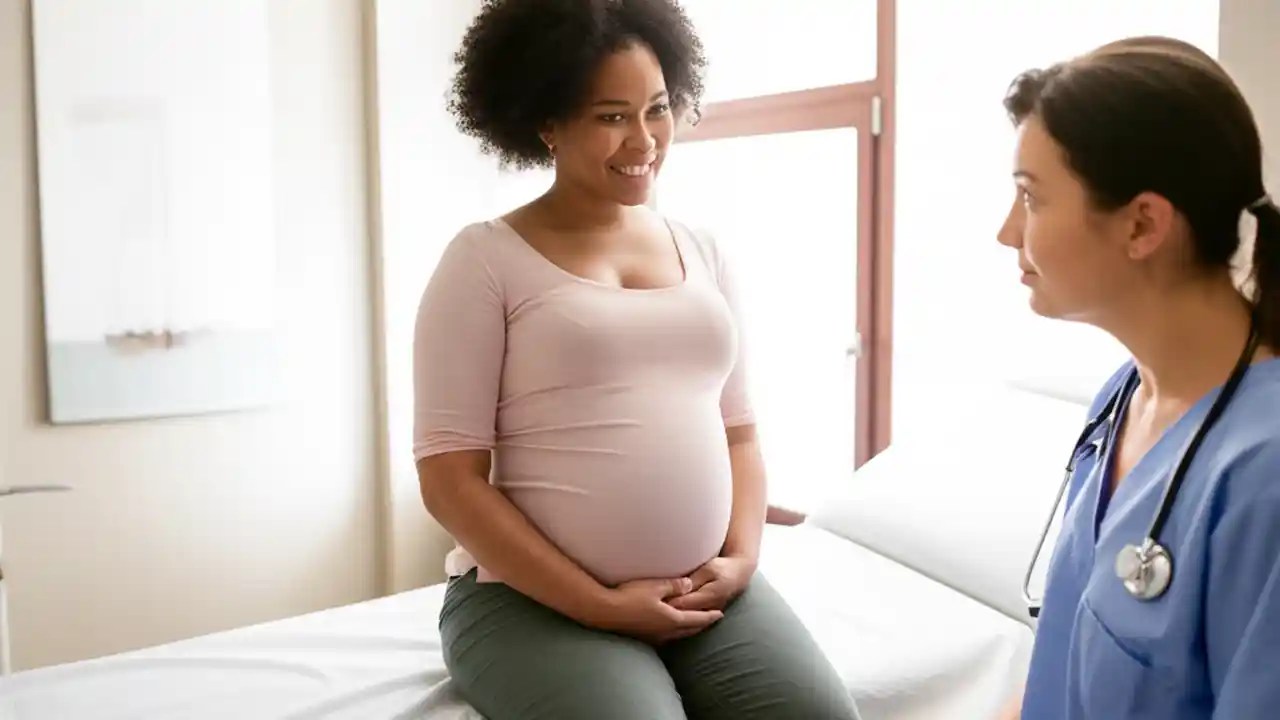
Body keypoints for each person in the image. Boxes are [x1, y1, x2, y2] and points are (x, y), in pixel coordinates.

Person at [411, 2, 858, 718]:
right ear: (546, 123)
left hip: (705, 589)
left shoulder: (701, 248)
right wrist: (600, 605)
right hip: (531, 603)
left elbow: (739, 432)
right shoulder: (484, 260)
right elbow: (448, 479)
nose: (644, 139)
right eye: (610, 116)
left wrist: (741, 559)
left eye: (657, 109)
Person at [994, 36, 1280, 719]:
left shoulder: (1263, 475)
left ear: (1143, 224)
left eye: (1030, 199)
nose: (1007, 233)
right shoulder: (1122, 397)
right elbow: (1061, 658)